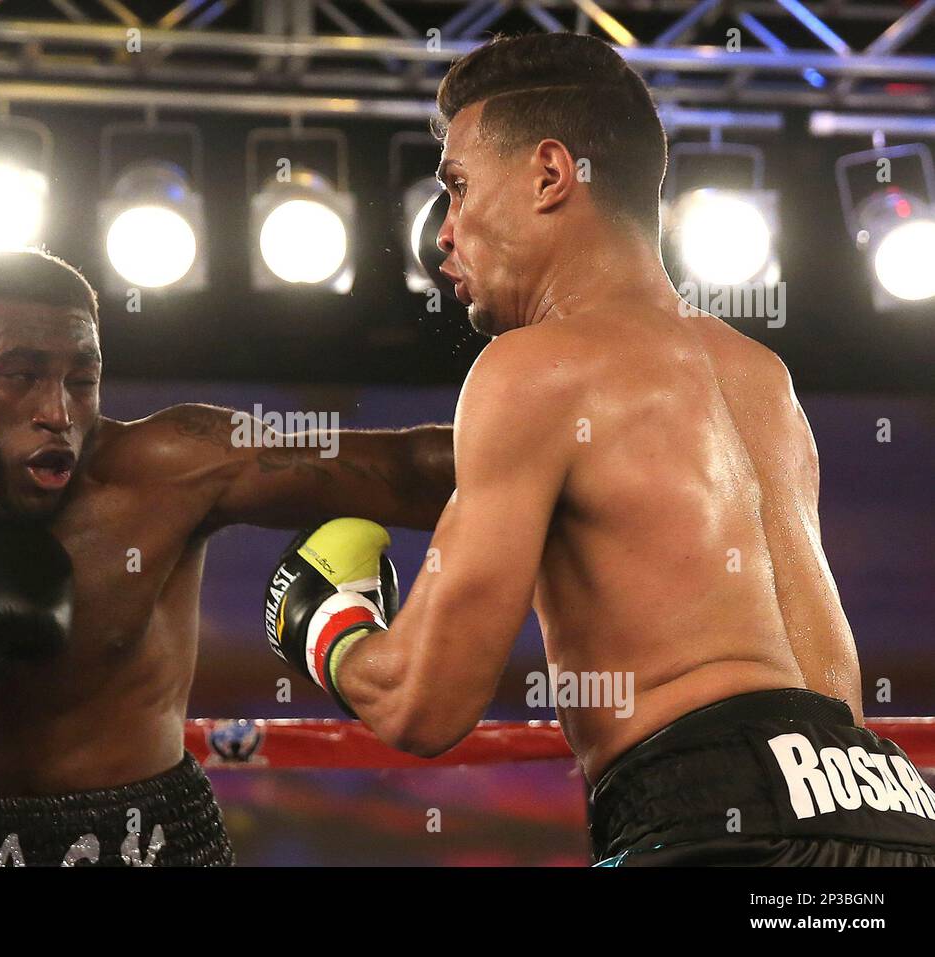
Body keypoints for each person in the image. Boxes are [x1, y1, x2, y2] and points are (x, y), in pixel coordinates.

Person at [263, 33, 935, 866]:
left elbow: (420, 704)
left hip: (711, 820)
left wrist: (329, 628)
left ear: (550, 175)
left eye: (459, 187)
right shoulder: (764, 378)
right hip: (888, 809)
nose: (444, 233)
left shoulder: (532, 368)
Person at [0, 247, 454, 866]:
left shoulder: (170, 471)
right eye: (21, 375)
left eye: (81, 379)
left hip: (158, 845)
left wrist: (554, 419)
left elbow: (413, 469)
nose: (58, 409)